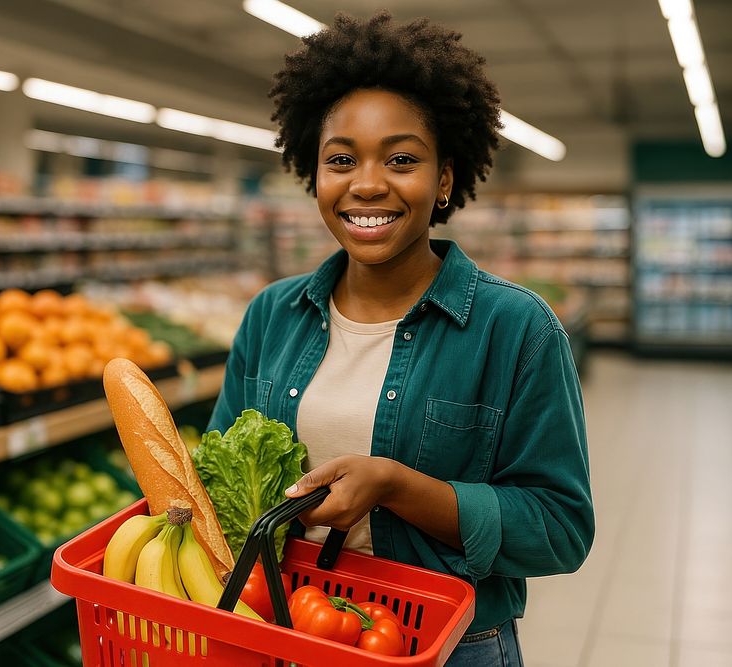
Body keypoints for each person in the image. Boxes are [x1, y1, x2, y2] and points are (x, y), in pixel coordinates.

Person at [207, 12, 594, 666]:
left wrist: (396, 485)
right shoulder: (273, 315)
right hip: (291, 629)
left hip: (448, 646)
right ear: (314, 173)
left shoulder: (515, 328)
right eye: (341, 160)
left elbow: (559, 528)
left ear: (445, 179)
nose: (366, 183)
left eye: (402, 159)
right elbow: (215, 483)